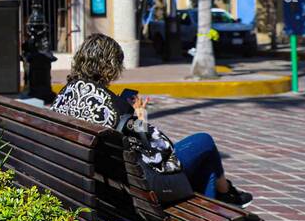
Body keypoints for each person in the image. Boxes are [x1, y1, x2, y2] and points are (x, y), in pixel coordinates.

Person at [50, 33, 251, 204]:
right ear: (110, 66)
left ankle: (224, 196)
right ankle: (225, 194)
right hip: (142, 185)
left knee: (205, 161)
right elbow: (161, 149)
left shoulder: (64, 94)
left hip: (95, 178)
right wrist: (139, 116)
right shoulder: (117, 107)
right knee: (204, 142)